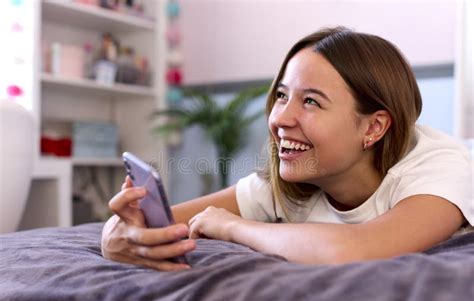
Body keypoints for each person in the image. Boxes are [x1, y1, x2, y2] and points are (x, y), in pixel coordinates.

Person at [102, 27, 473, 271]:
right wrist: (117, 234)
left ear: (373, 127)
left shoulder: (440, 170)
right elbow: (164, 221)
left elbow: (355, 251)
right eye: (282, 95)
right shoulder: (297, 175)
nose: (281, 118)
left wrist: (234, 227)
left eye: (311, 101)